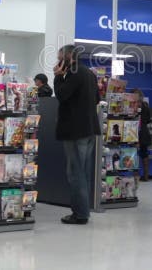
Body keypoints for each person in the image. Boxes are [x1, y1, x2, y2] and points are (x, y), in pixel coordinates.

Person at [52, 44, 101, 225]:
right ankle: (83, 210)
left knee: (75, 173)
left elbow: (62, 95)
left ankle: (80, 214)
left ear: (69, 57)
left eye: (60, 58)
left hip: (75, 130)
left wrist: (57, 77)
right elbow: (97, 99)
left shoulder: (73, 73)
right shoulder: (89, 73)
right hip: (89, 129)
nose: (58, 62)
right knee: (83, 172)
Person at [132, 88, 152, 182]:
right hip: (144, 132)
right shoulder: (145, 105)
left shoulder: (132, 106)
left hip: (134, 131)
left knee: (134, 154)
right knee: (144, 155)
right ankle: (146, 175)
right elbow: (148, 119)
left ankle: (135, 176)